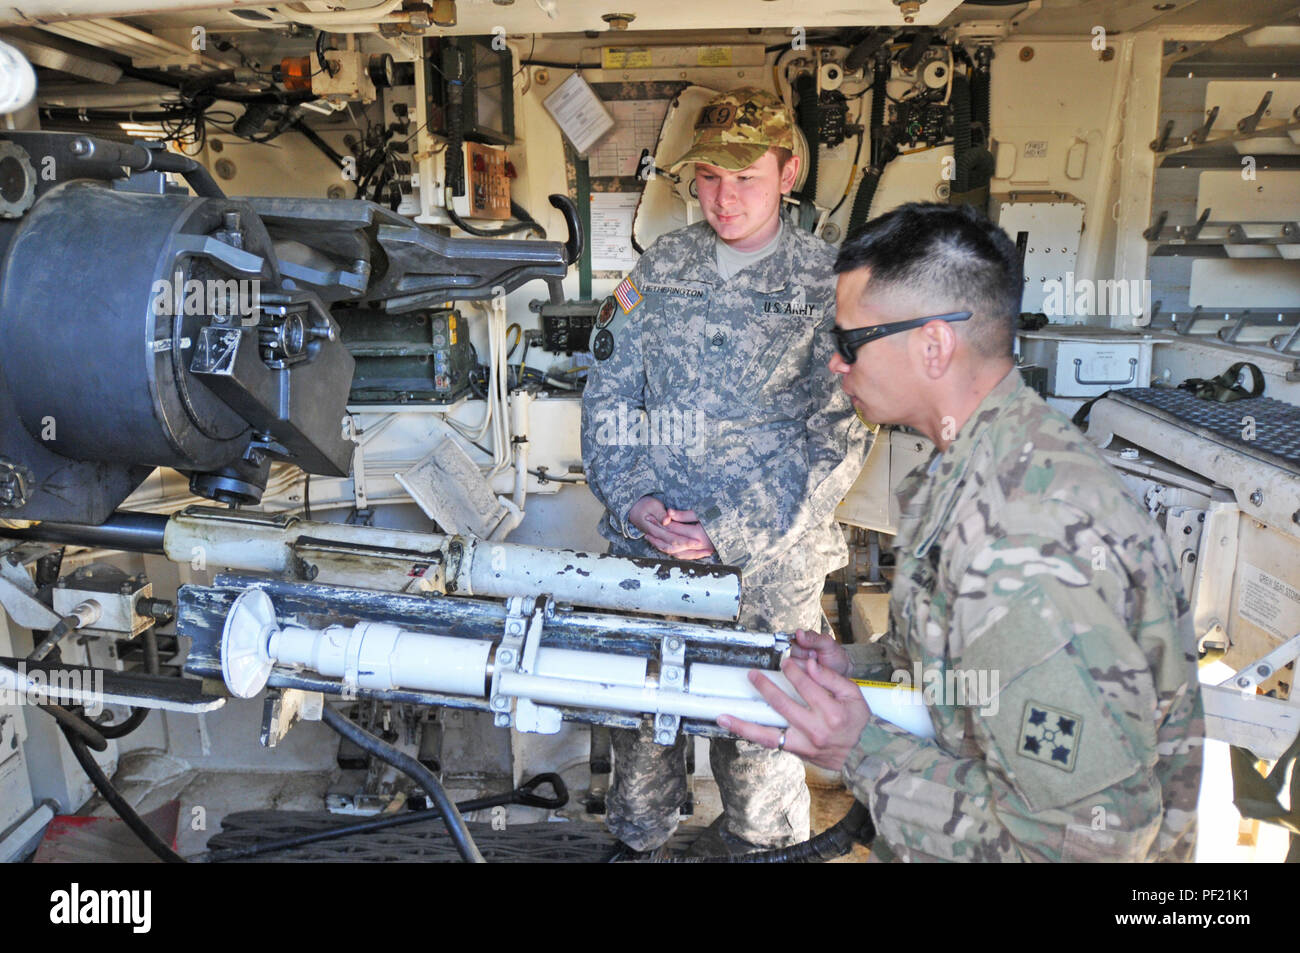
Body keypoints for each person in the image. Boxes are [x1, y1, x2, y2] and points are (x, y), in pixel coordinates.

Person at [719, 202, 1204, 862]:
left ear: (933, 344)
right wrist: (857, 666)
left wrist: (860, 750)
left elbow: (1092, 839)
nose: (836, 364)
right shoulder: (985, 461)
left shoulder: (1018, 545)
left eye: (849, 342)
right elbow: (977, 660)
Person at [580, 87, 870, 856]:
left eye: (744, 177)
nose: (723, 196)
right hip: (652, 560)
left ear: (789, 171)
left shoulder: (828, 283)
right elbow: (609, 389)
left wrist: (732, 530)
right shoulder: (661, 268)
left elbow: (839, 439)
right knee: (641, 733)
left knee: (760, 750)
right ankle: (639, 846)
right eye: (708, 176)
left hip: (766, 574)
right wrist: (633, 495)